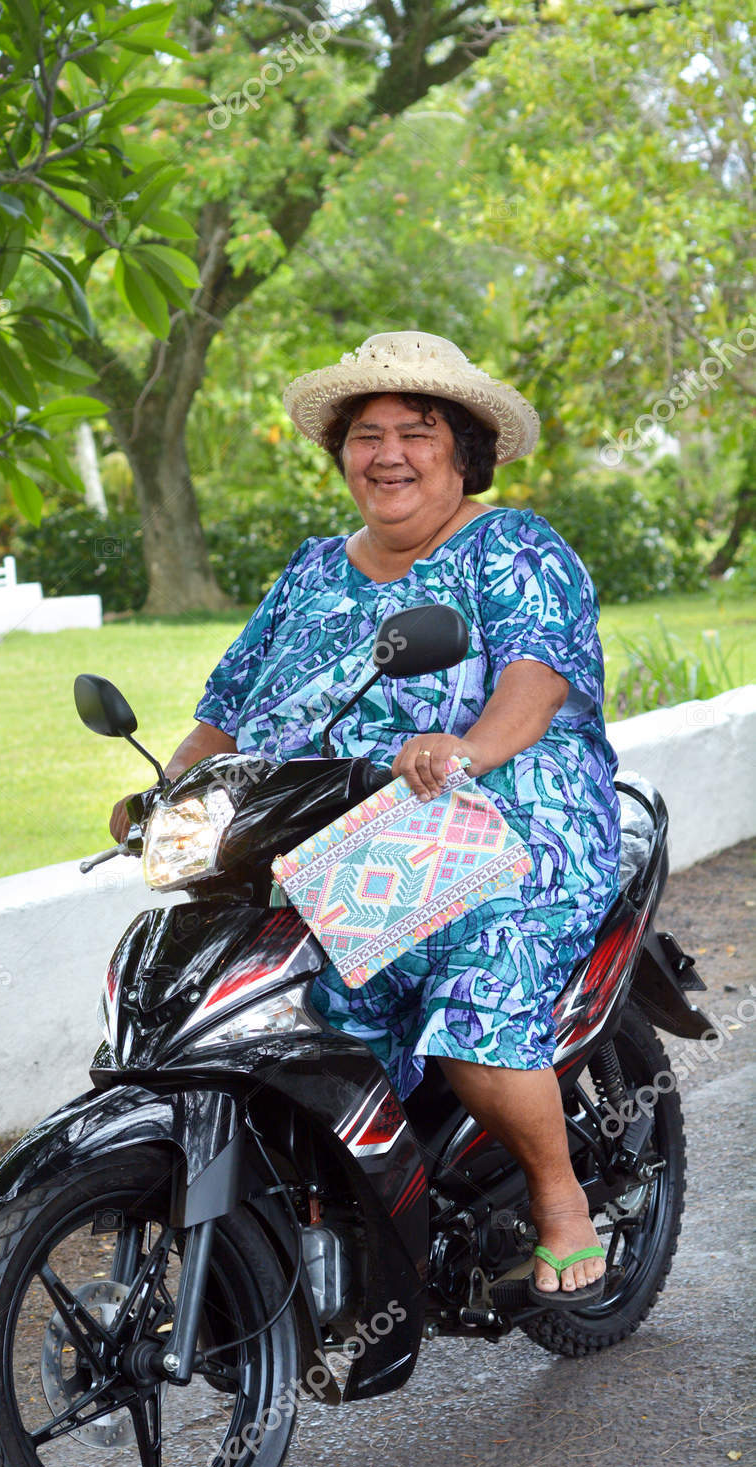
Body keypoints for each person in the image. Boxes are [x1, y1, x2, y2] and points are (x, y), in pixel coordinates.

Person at [110, 330, 621, 1304]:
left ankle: (559, 1200)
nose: (386, 453)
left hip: (506, 804)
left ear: (460, 449)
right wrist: (167, 792)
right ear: (341, 453)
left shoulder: (511, 545)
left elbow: (534, 676)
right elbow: (226, 708)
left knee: (474, 991)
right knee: (259, 1001)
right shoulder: (310, 570)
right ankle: (329, 1206)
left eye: (415, 432)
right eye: (365, 433)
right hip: (322, 821)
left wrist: (469, 747)